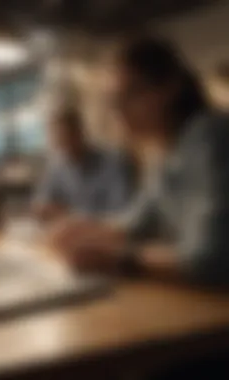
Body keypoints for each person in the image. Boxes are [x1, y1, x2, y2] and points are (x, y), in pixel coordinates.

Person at [51, 36, 229, 286]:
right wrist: (82, 227)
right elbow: (138, 222)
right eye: (114, 101)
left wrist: (119, 259)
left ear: (170, 87)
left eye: (131, 94)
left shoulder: (209, 136)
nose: (120, 111)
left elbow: (211, 260)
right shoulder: (167, 151)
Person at [32, 107, 135, 221]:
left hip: (105, 233)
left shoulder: (113, 163)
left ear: (80, 133)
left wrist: (70, 214)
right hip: (69, 231)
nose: (63, 144)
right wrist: (43, 208)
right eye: (58, 139)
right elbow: (42, 203)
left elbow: (120, 212)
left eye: (67, 136)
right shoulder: (58, 167)